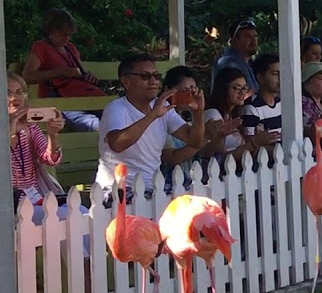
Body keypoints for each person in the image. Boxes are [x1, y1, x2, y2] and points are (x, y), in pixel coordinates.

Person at [95, 54, 206, 199]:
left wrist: (198, 112)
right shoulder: (116, 108)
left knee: (195, 201)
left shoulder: (162, 106)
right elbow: (116, 144)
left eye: (156, 76)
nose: (153, 81)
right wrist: (153, 115)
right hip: (116, 189)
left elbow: (195, 141)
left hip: (153, 187)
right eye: (145, 76)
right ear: (126, 81)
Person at [20, 8, 103, 132]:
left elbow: (81, 72)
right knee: (94, 124)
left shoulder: (70, 48)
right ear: (51, 31)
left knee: (114, 115)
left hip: (81, 95)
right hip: (59, 99)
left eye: (69, 35)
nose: (67, 38)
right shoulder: (41, 47)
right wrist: (59, 72)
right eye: (63, 34)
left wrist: (88, 76)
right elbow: (27, 77)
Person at [8, 72, 66, 221]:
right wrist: (11, 129)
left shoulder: (29, 127)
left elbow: (51, 159)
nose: (15, 98)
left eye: (19, 92)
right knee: (66, 217)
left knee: (80, 211)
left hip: (35, 200)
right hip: (8, 205)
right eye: (8, 93)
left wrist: (52, 134)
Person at [159, 66, 204, 192]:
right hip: (169, 186)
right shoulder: (161, 117)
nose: (190, 94)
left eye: (193, 90)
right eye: (184, 90)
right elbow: (173, 158)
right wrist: (205, 138)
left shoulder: (189, 116)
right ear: (168, 90)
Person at [201, 68, 254, 169]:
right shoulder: (213, 114)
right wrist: (254, 143)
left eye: (244, 88)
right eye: (237, 88)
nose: (242, 92)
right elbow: (214, 153)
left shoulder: (234, 114)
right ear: (224, 89)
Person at [240, 54, 284, 161]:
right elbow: (251, 147)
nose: (280, 78)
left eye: (281, 73)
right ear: (260, 78)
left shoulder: (281, 103)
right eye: (274, 74)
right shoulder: (251, 108)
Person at [212, 19, 260, 92]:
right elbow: (245, 94)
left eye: (255, 36)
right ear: (234, 40)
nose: (253, 41)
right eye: (247, 36)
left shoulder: (250, 64)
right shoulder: (229, 62)